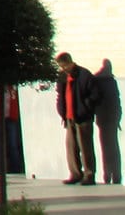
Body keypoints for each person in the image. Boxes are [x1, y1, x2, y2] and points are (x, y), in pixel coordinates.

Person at [55, 51, 97, 183]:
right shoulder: (62, 76)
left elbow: (95, 94)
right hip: (69, 117)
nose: (63, 69)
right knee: (71, 147)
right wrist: (62, 112)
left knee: (85, 147)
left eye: (65, 66)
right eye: (61, 66)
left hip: (82, 117)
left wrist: (85, 108)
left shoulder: (84, 75)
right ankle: (75, 173)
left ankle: (89, 175)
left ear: (70, 63)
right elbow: (60, 95)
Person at [91, 59, 123, 185]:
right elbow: (116, 100)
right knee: (114, 147)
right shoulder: (111, 81)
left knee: (106, 148)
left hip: (102, 118)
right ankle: (116, 175)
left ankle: (107, 175)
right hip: (111, 118)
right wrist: (118, 117)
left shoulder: (96, 80)